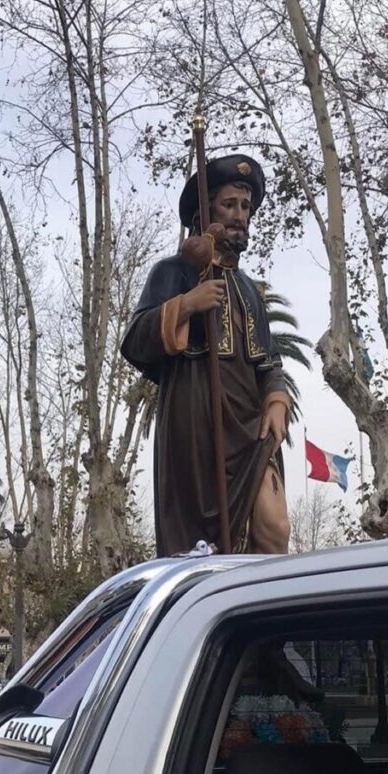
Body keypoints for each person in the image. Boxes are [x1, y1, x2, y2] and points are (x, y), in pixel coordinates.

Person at [121, 154, 291, 556]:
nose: (239, 215)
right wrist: (186, 305)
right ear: (205, 213)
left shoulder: (249, 289)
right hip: (195, 428)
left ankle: (269, 597)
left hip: (250, 427)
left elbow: (269, 361)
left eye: (245, 207)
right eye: (229, 205)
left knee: (274, 526)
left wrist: (277, 399)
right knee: (202, 545)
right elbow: (135, 341)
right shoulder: (173, 272)